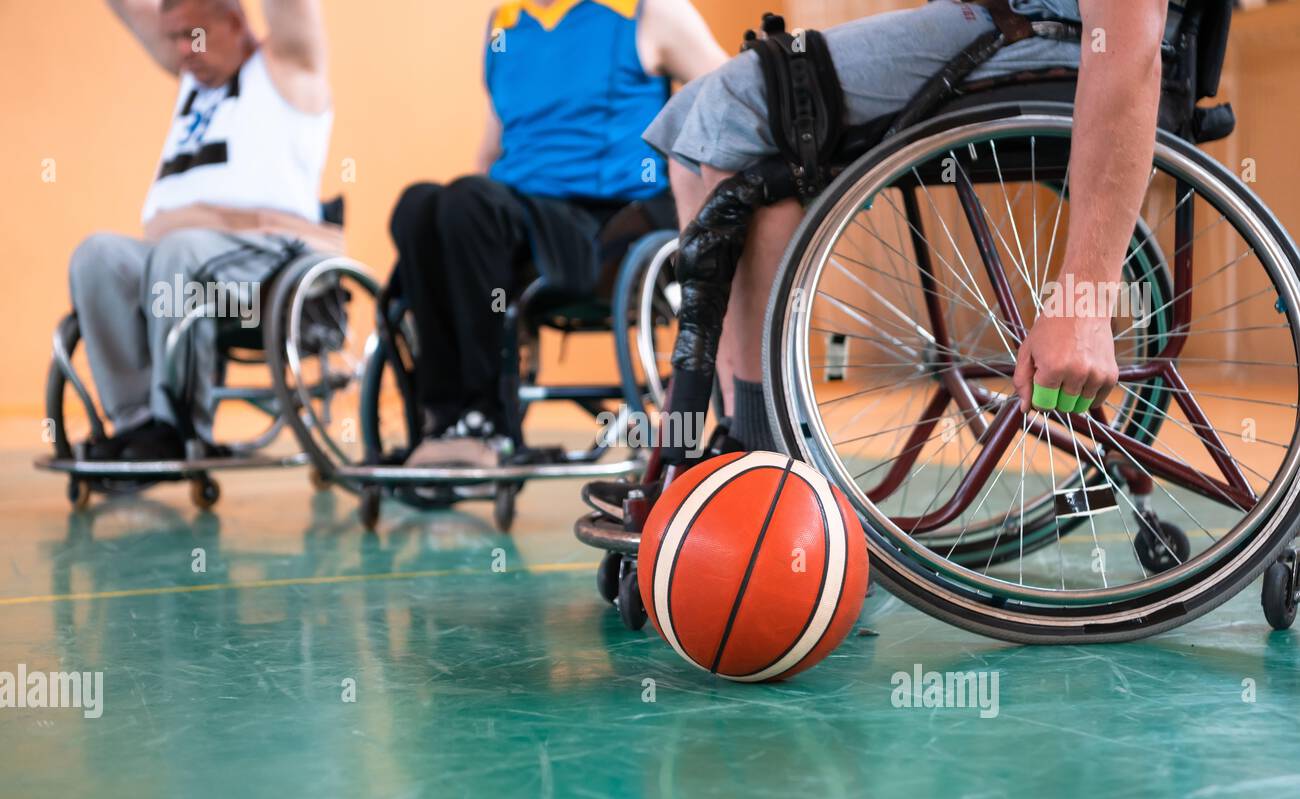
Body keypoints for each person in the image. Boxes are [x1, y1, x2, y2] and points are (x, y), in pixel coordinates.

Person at [644, 0, 1160, 452]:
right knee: (691, 120)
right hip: (1014, 14)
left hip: (1063, 26)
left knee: (741, 105)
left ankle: (766, 455)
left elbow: (1129, 34)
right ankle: (741, 434)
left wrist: (1085, 302)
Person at [387, 0, 727, 467]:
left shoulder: (648, 13)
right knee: (419, 204)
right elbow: (489, 151)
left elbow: (735, 100)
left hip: (607, 225)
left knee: (467, 200)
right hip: (515, 220)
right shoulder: (505, 24)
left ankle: (486, 420)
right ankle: (443, 416)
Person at [70, 0, 339, 461]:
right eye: (173, 37)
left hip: (268, 257)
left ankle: (179, 425)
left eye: (191, 35)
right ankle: (139, 425)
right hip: (178, 256)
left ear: (235, 23)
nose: (181, 50)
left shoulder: (288, 67)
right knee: (96, 256)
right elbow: (131, 9)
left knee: (181, 253)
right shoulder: (193, 79)